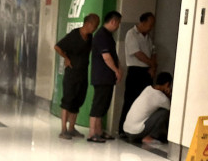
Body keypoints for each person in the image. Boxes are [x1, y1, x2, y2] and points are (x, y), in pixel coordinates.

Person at [55, 13, 100, 140]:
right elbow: (57, 46)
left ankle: (72, 128)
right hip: (71, 73)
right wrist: (66, 58)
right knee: (68, 100)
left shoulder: (90, 37)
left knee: (78, 100)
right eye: (95, 25)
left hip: (83, 73)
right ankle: (63, 129)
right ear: (88, 24)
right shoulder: (74, 35)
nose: (95, 28)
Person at [118, 12, 157, 134]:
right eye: (150, 24)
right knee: (130, 101)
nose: (151, 27)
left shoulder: (148, 37)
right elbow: (137, 53)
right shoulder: (131, 34)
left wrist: (153, 67)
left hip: (147, 72)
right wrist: (151, 64)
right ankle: (123, 130)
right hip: (135, 71)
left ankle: (139, 131)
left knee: (145, 102)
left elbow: (154, 51)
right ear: (143, 22)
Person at [88, 11, 122, 142]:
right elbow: (106, 57)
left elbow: (112, 54)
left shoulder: (108, 36)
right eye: (118, 23)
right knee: (98, 104)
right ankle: (92, 133)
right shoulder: (101, 35)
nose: (118, 26)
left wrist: (118, 68)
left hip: (107, 77)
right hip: (101, 76)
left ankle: (99, 131)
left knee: (104, 104)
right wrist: (116, 70)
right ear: (113, 21)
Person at [121, 71, 173, 143]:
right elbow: (172, 110)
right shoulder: (162, 98)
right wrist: (169, 95)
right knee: (164, 112)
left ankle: (148, 135)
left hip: (126, 130)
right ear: (167, 84)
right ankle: (151, 137)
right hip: (135, 132)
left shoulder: (148, 89)